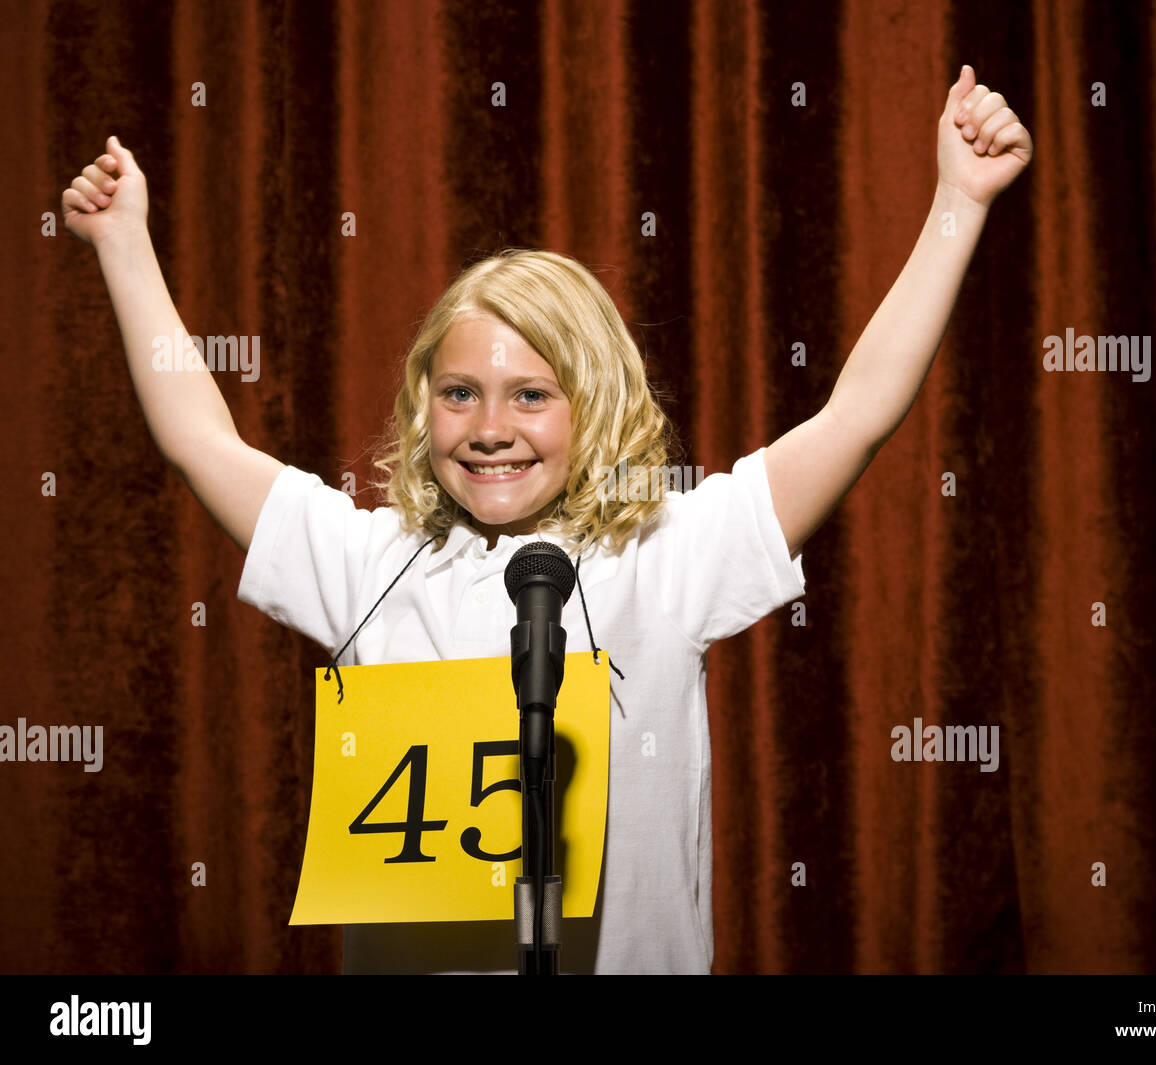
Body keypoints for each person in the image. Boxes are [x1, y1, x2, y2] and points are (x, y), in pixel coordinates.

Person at [63, 65, 1032, 973]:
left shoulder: (669, 550)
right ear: (420, 405)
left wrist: (960, 202)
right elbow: (199, 438)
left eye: (531, 396)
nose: (489, 429)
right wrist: (125, 243)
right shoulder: (367, 560)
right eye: (458, 394)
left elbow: (856, 413)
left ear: (594, 402)